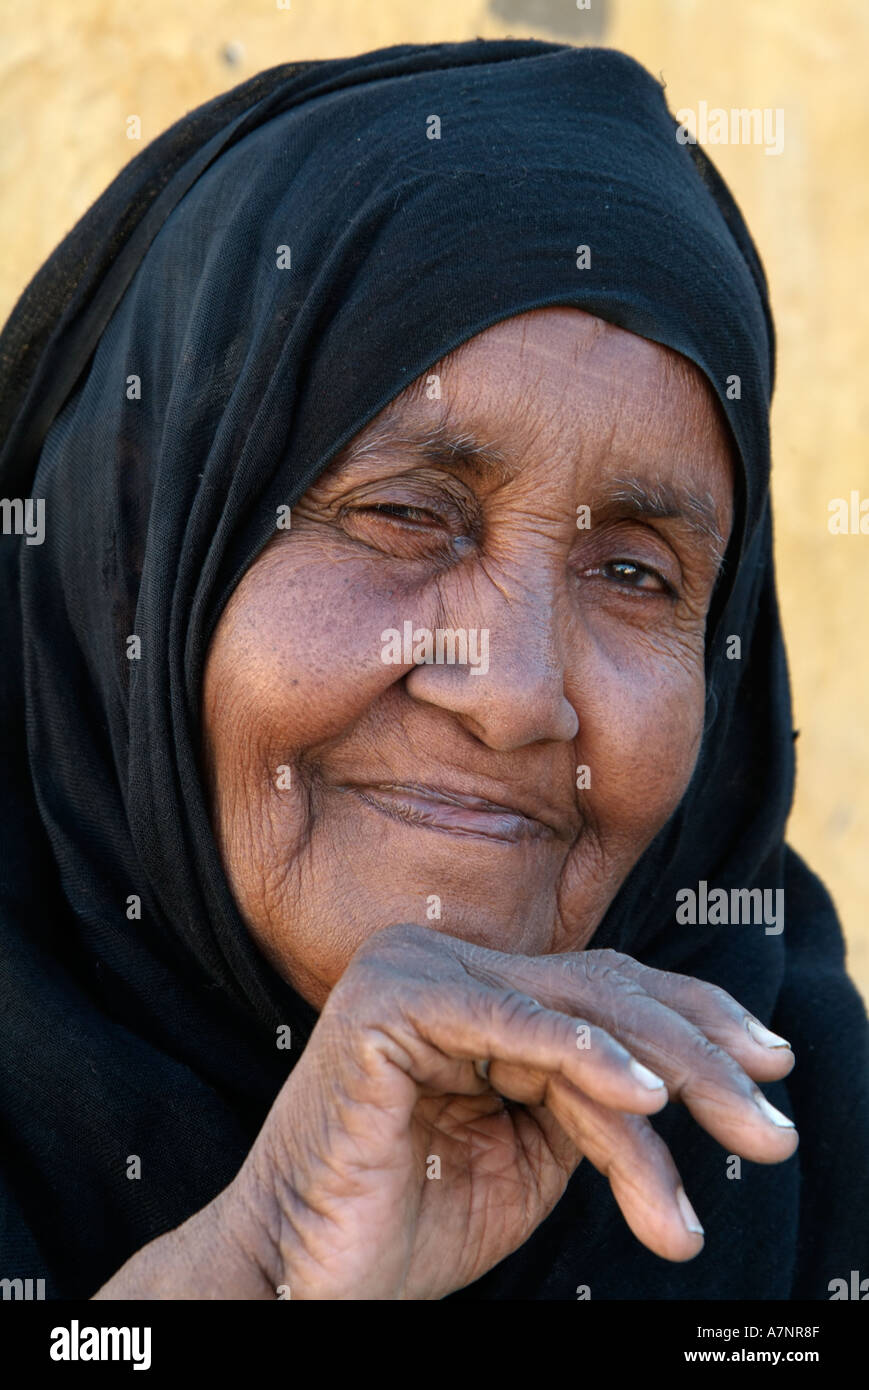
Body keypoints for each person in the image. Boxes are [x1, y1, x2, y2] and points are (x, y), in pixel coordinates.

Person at [0, 38, 865, 1302]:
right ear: (137, 549)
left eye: (633, 572)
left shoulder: (807, 1161)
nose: (516, 693)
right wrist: (256, 1264)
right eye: (408, 513)